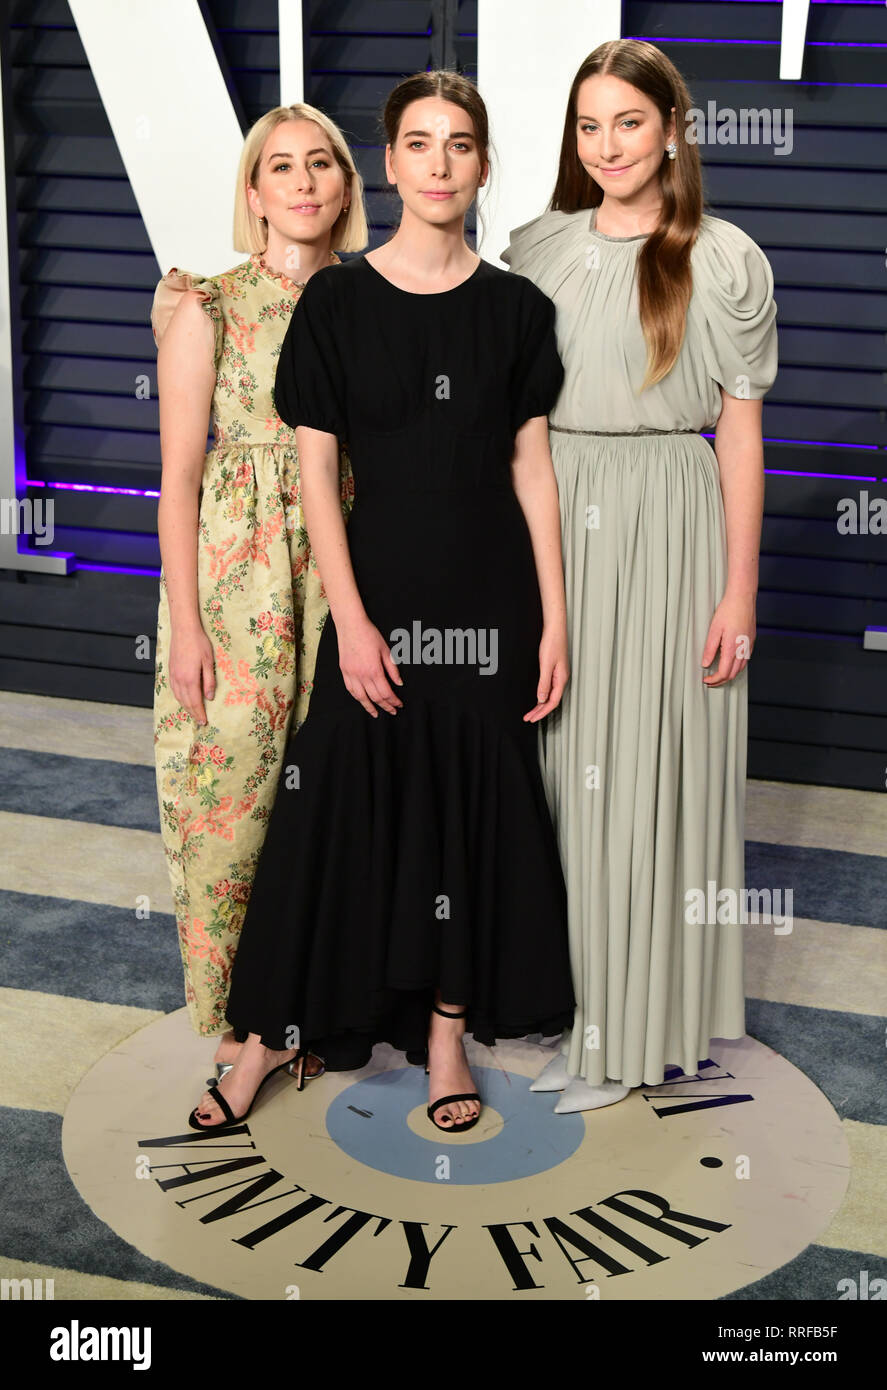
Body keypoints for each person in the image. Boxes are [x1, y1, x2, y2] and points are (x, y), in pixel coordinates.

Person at [190, 69, 576, 1134]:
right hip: (377, 592)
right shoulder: (338, 301)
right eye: (419, 143)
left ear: (481, 166)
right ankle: (267, 1034)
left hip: (490, 599)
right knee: (326, 808)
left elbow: (530, 470)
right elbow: (317, 474)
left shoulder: (515, 309)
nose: (440, 163)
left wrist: (553, 616)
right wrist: (351, 621)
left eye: (460, 145)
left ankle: (447, 1035)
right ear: (392, 163)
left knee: (466, 814)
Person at [502, 39, 778, 1112]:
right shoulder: (538, 247)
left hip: (667, 526)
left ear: (671, 128)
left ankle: (634, 1036)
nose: (606, 144)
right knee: (561, 776)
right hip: (554, 513)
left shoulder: (718, 258)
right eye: (587, 124)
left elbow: (742, 437)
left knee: (649, 780)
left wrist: (738, 591)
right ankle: (574, 1002)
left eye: (627, 121)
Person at [152, 104, 366, 1080]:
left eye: (322, 162)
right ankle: (241, 1024)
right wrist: (186, 628)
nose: (305, 180)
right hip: (235, 581)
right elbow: (179, 481)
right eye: (282, 166)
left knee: (326, 802)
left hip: (347, 573)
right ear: (254, 192)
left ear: (345, 185)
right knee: (231, 800)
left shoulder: (378, 302)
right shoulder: (207, 305)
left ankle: (302, 1013)